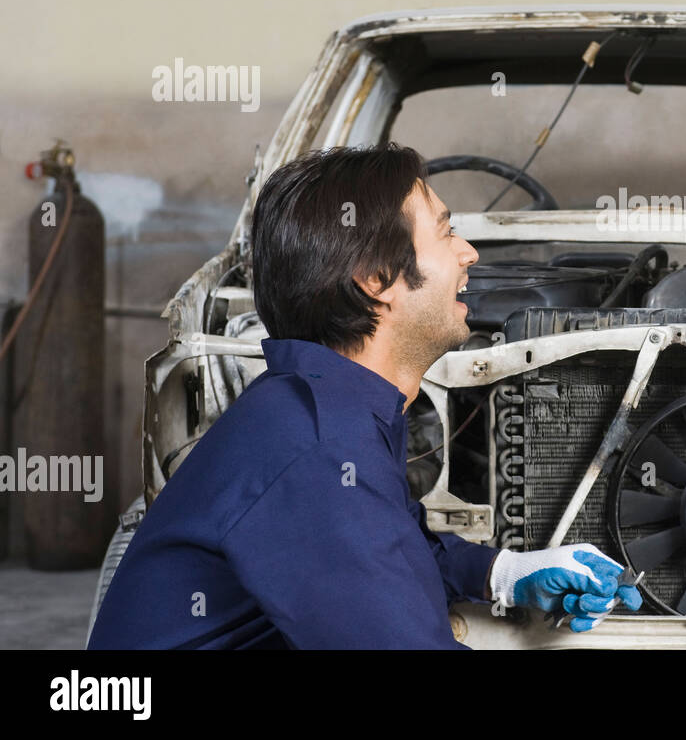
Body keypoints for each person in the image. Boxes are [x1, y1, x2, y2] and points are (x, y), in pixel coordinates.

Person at [90, 144, 640, 649]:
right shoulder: (317, 449)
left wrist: (504, 574)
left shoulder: (324, 406)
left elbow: (387, 551)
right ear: (376, 278)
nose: (469, 253)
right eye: (447, 234)